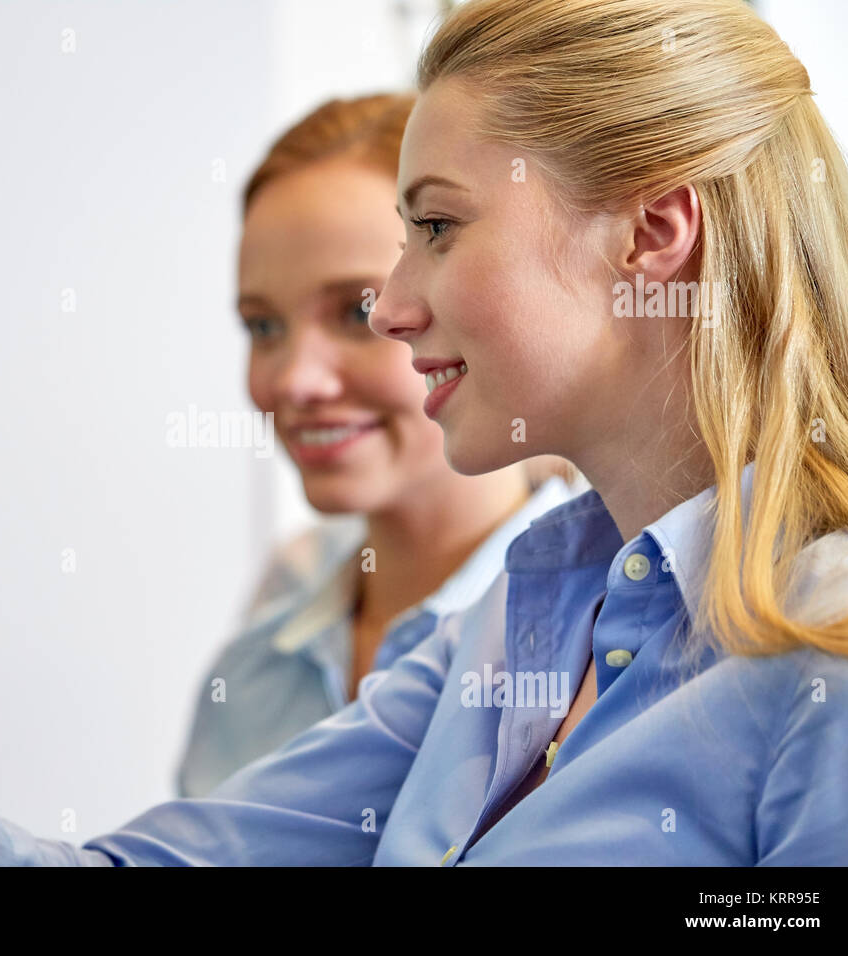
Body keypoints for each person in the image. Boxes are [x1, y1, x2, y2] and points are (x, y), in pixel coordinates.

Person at [0, 0, 848, 864]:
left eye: (436, 225)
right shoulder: (505, 630)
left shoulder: (838, 656)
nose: (398, 301)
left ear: (654, 233)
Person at [177, 92, 580, 797]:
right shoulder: (275, 627)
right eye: (262, 326)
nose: (294, 380)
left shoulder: (604, 631)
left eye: (356, 310)